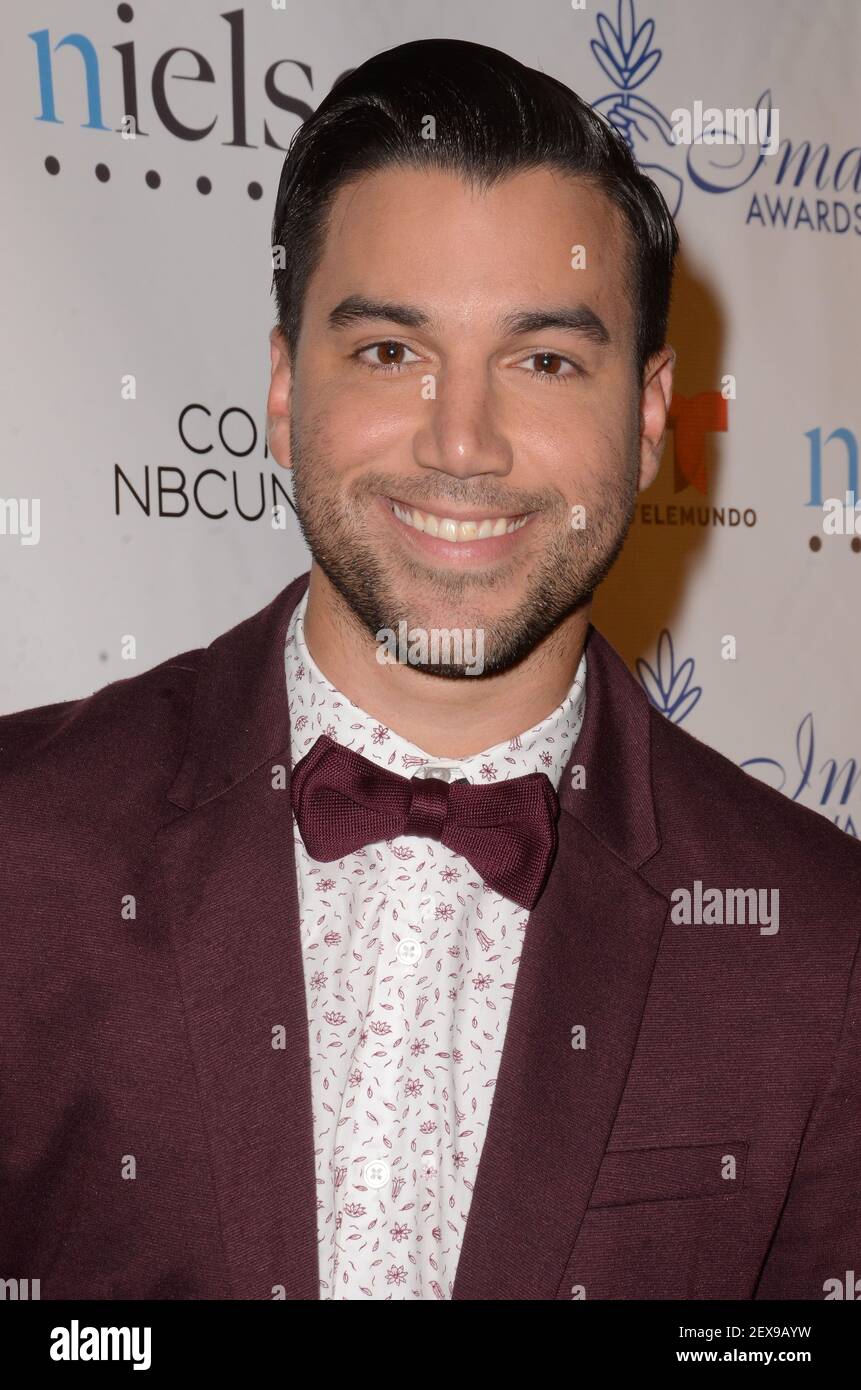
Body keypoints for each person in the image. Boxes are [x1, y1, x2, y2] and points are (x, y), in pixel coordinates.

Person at [1, 37, 859, 1302]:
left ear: (648, 417)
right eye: (391, 351)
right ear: (286, 389)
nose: (464, 444)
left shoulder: (821, 945)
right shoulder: (24, 841)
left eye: (547, 361)